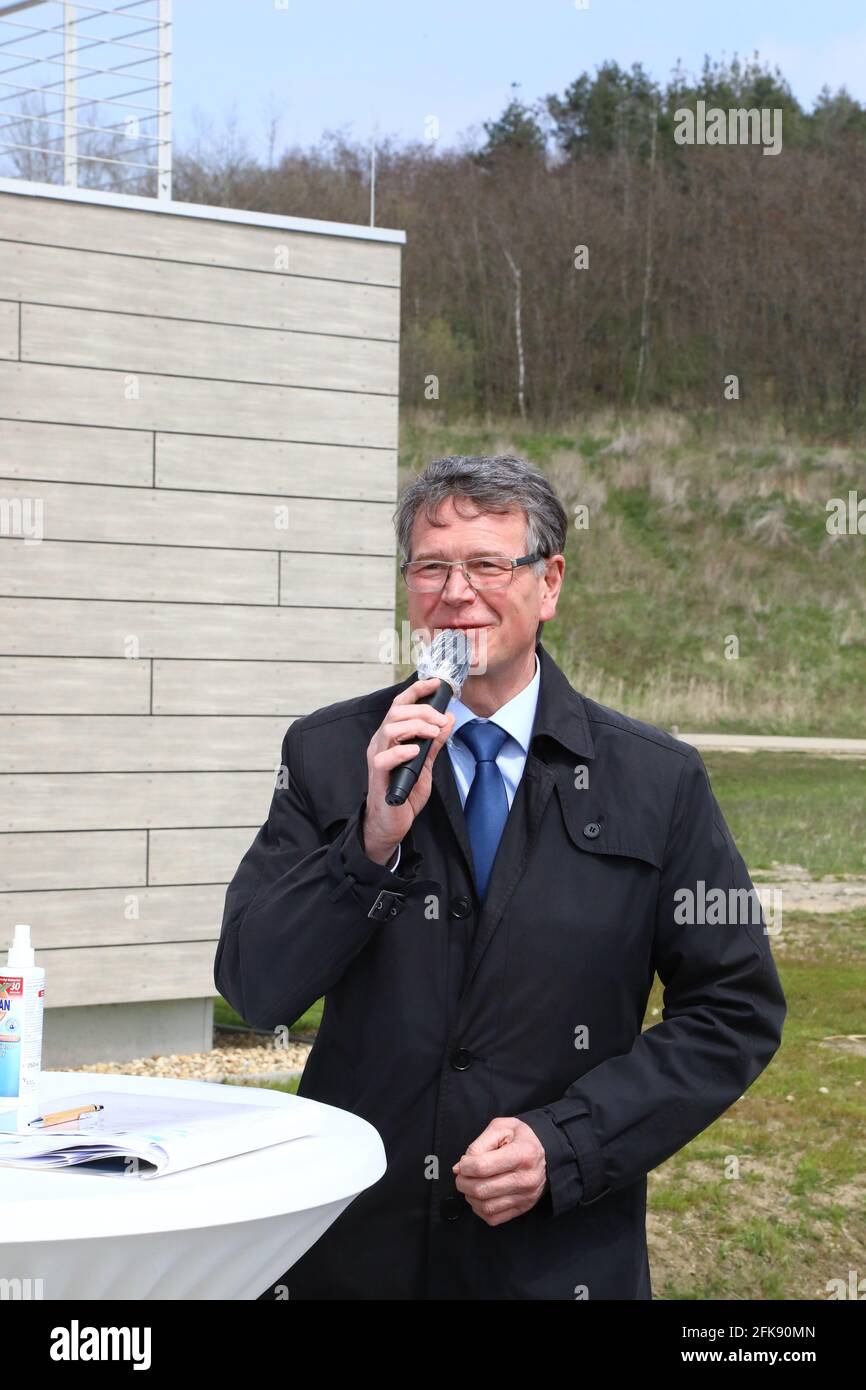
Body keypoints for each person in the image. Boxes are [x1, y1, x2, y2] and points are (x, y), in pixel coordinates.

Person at [214, 454, 787, 1300]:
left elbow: (735, 1010)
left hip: (555, 1262)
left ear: (548, 583)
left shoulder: (656, 780)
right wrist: (366, 849)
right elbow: (255, 989)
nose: (456, 593)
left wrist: (569, 1143)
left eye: (487, 564)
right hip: (354, 1254)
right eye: (431, 567)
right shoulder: (331, 753)